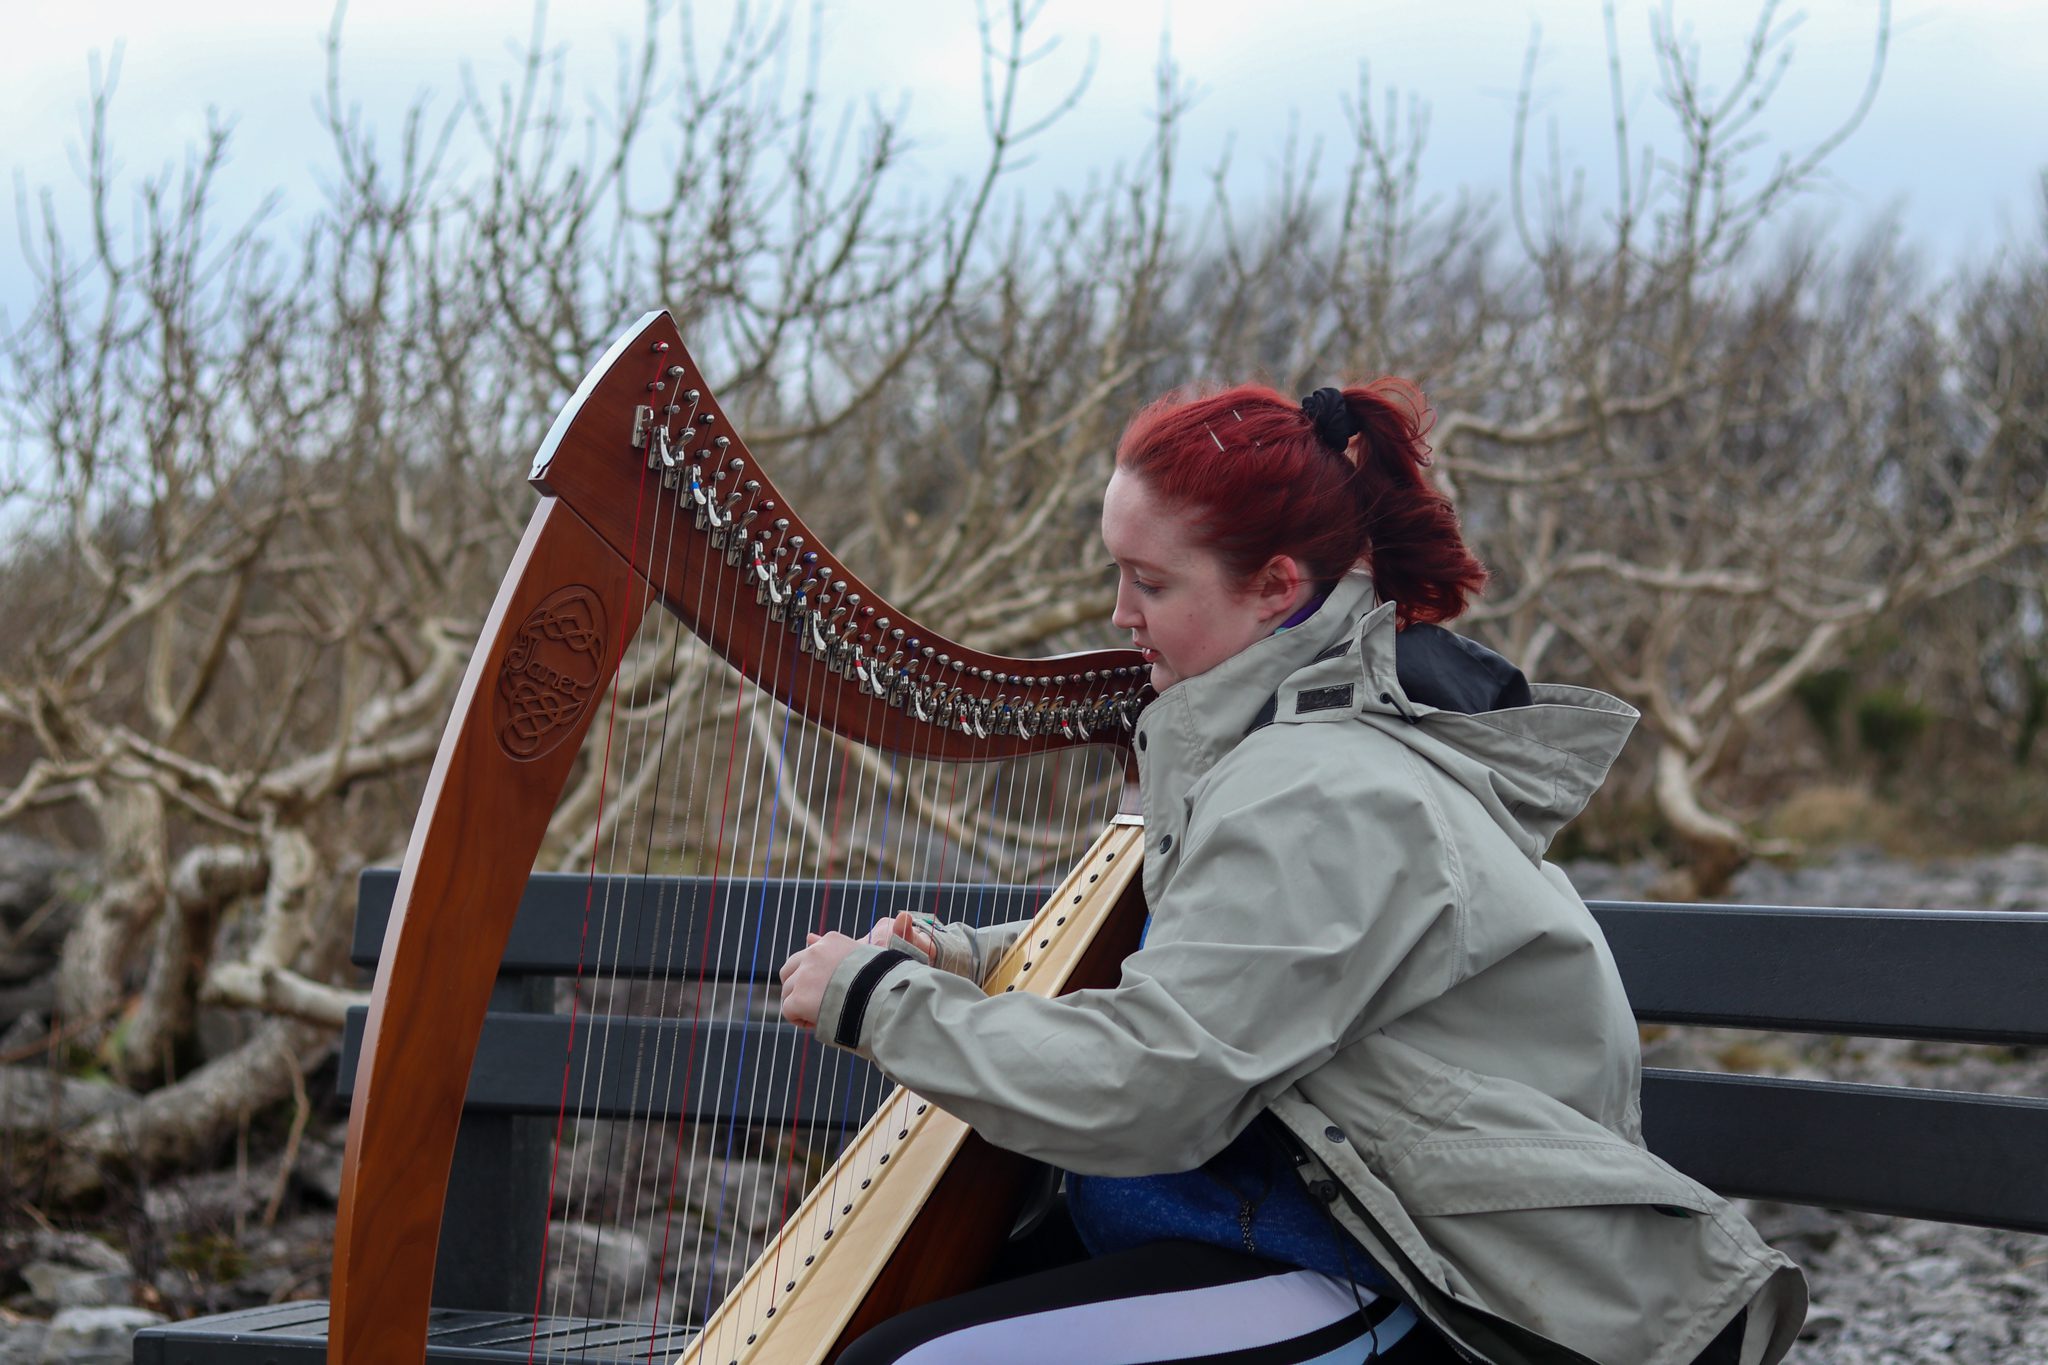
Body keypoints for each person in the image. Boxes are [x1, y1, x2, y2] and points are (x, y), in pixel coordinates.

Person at [777, 380, 1806, 1365]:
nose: (1117, 615)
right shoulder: (1277, 739)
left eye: (1149, 581)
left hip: (1401, 1273)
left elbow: (1154, 1083)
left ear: (1274, 585)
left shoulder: (1320, 788)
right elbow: (1216, 964)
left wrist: (881, 1003)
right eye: (1116, 573)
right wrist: (969, 957)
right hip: (1268, 1217)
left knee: (906, 1359)